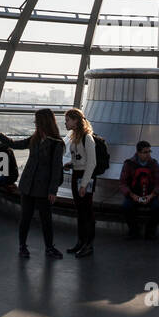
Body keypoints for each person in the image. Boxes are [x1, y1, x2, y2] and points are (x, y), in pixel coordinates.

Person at [0, 110, 65, 259]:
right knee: (25, 218)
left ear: (44, 122)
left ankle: (49, 247)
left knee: (46, 220)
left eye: (37, 121)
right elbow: (14, 144)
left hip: (42, 188)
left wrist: (52, 191)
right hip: (27, 185)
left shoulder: (56, 144)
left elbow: (56, 170)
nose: (35, 123)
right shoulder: (35, 139)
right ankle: (23, 246)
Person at [63, 108, 98, 258]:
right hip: (77, 174)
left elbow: (91, 163)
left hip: (85, 177)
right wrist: (71, 164)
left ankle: (88, 244)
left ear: (76, 121)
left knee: (87, 211)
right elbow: (81, 157)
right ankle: (81, 241)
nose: (66, 122)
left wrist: (84, 184)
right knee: (80, 210)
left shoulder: (87, 138)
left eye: (68, 120)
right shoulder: (75, 137)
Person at [118, 141, 159, 239]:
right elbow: (123, 183)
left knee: (157, 208)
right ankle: (134, 230)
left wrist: (151, 195)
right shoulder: (129, 164)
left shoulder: (153, 164)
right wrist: (132, 195)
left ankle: (150, 231)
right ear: (138, 153)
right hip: (133, 194)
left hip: (149, 195)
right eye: (145, 152)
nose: (148, 154)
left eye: (149, 152)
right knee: (126, 207)